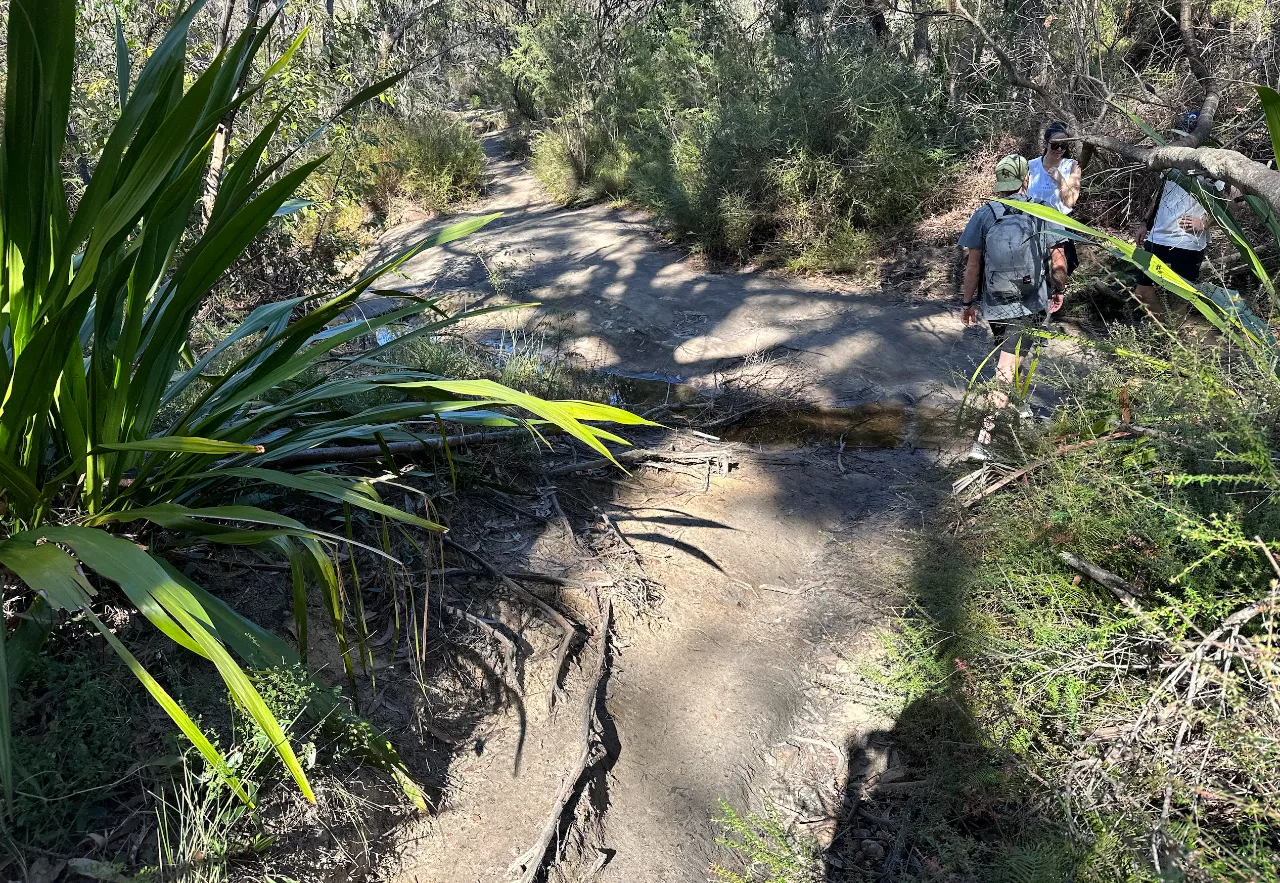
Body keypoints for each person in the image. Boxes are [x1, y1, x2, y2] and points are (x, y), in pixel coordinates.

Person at [959, 154, 1070, 460]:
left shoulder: (984, 215)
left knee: (1017, 355)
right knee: (1006, 369)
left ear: (998, 183)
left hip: (996, 304)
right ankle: (982, 442)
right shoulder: (1041, 211)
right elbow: (1058, 258)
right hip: (1032, 301)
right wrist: (1059, 289)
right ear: (1025, 180)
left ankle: (1019, 407)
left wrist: (968, 303)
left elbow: (973, 266)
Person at [1130, 110, 1226, 320]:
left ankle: (1176, 343)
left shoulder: (1210, 163)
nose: (1185, 136)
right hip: (1157, 237)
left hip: (1187, 241)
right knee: (1142, 291)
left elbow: (1231, 201)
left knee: (1180, 298)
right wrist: (1146, 222)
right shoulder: (1171, 157)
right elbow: (1161, 193)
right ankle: (1166, 333)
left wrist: (1205, 222)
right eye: (1183, 130)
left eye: (1190, 131)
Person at [1026, 121, 1082, 273]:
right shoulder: (1031, 166)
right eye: (1055, 144)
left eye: (1064, 145)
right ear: (1046, 143)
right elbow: (1022, 197)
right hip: (1034, 225)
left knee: (1062, 269)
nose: (1059, 149)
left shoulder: (1072, 166)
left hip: (1061, 224)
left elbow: (1070, 202)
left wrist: (1060, 180)